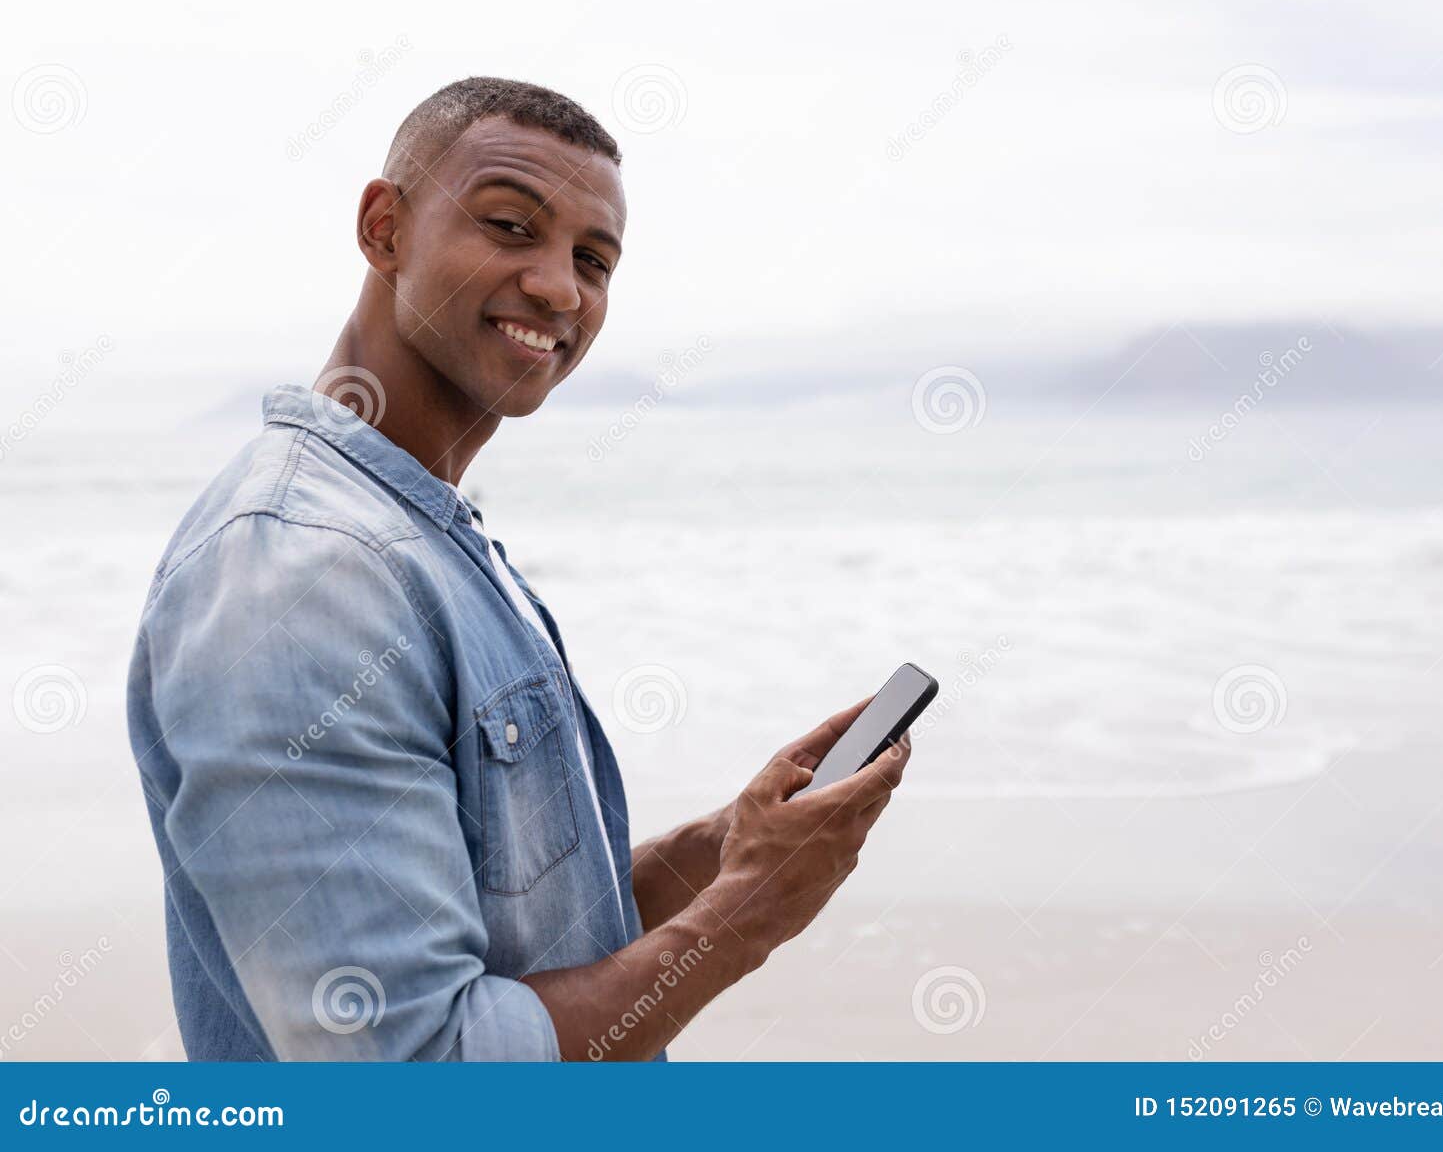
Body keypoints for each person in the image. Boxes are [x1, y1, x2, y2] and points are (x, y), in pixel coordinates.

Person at [125, 76, 910, 1061]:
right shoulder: (306, 573)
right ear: (384, 228)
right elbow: (414, 1070)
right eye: (508, 226)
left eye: (594, 258)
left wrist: (726, 846)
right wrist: (748, 911)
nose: (558, 287)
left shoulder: (428, 534)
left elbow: (507, 927)